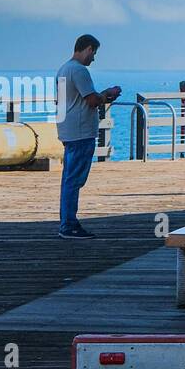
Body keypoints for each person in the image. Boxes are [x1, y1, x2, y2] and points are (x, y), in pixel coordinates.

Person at [54, 35, 121, 239]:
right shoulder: (79, 70)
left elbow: (74, 100)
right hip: (81, 132)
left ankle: (67, 222)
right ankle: (69, 225)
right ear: (88, 49)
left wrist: (100, 96)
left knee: (69, 179)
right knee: (74, 180)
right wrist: (108, 94)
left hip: (68, 130)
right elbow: (91, 100)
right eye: (94, 53)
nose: (93, 59)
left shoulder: (63, 69)